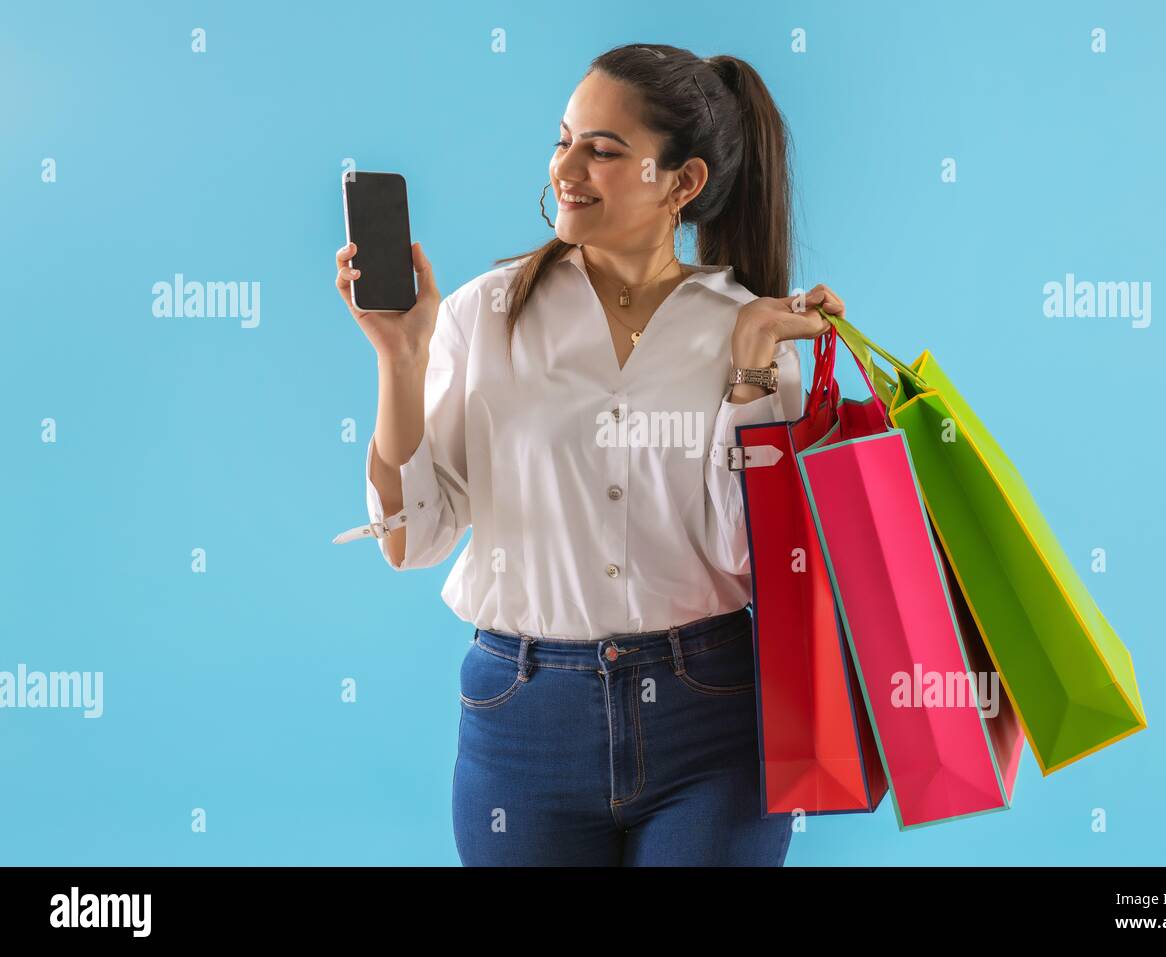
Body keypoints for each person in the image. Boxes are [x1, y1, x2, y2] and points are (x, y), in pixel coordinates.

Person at [332, 43, 845, 866]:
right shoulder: (482, 314)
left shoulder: (752, 331)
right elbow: (409, 539)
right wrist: (401, 360)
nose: (566, 166)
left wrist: (749, 369)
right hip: (523, 719)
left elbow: (744, 555)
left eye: (603, 150)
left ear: (682, 184)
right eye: (564, 139)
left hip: (710, 714)